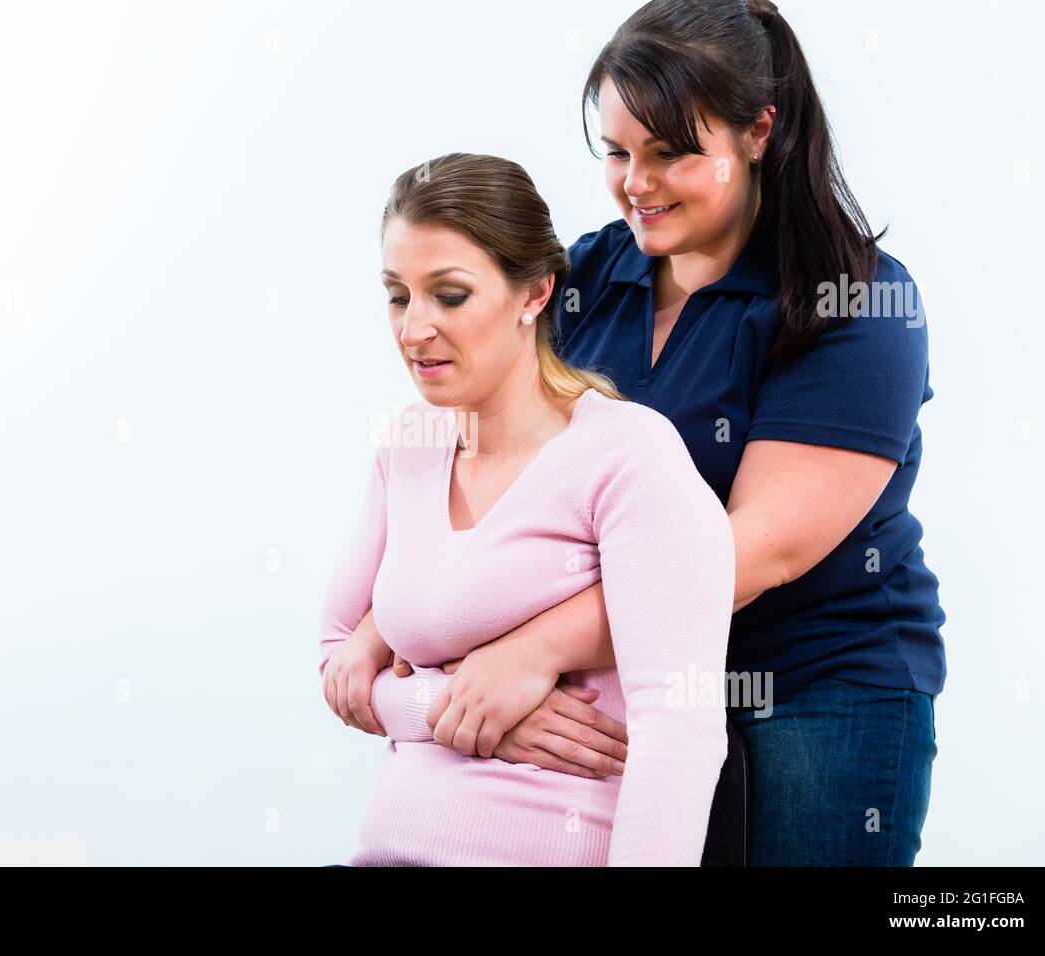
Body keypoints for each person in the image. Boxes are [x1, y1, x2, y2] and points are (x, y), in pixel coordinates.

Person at [346, 0, 945, 867]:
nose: (637, 182)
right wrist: (391, 629)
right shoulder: (584, 280)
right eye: (617, 152)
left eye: (670, 153)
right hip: (627, 685)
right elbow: (489, 471)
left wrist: (529, 652)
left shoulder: (853, 304)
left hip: (812, 689)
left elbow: (750, 553)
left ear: (759, 132)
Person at [318, 152, 736, 865]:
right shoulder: (408, 446)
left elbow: (679, 730)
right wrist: (459, 713)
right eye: (397, 296)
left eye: (450, 295)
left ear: (535, 294)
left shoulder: (627, 453)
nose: (413, 329)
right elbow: (338, 660)